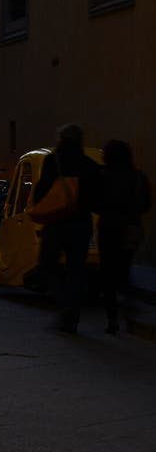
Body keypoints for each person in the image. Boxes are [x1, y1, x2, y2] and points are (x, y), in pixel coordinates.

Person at [32, 123, 100, 333]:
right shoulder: (90, 165)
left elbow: (41, 191)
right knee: (76, 269)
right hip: (80, 223)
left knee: (46, 265)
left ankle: (64, 304)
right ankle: (72, 315)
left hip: (57, 222)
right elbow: (96, 201)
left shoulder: (54, 160)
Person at [97, 139, 151, 334]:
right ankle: (127, 306)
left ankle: (112, 319)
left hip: (108, 229)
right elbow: (145, 204)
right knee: (124, 268)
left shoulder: (103, 176)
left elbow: (95, 203)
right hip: (130, 228)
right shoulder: (138, 177)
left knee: (108, 274)